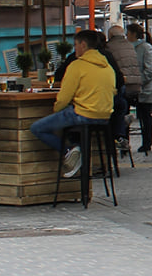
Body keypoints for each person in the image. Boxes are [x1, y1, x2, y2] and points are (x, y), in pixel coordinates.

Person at [32, 30, 115, 178]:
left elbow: (64, 97)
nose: (74, 48)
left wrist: (56, 110)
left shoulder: (77, 66)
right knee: (71, 129)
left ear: (83, 45)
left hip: (83, 114)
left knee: (37, 128)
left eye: (75, 45)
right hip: (105, 116)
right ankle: (77, 150)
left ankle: (69, 151)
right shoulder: (107, 67)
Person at [126, 22, 152, 154]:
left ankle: (147, 143)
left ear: (133, 34)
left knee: (145, 116)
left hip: (145, 89)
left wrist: (138, 81)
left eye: (128, 33)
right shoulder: (129, 48)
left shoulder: (146, 48)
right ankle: (125, 143)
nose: (126, 36)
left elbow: (150, 70)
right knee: (128, 115)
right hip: (131, 88)